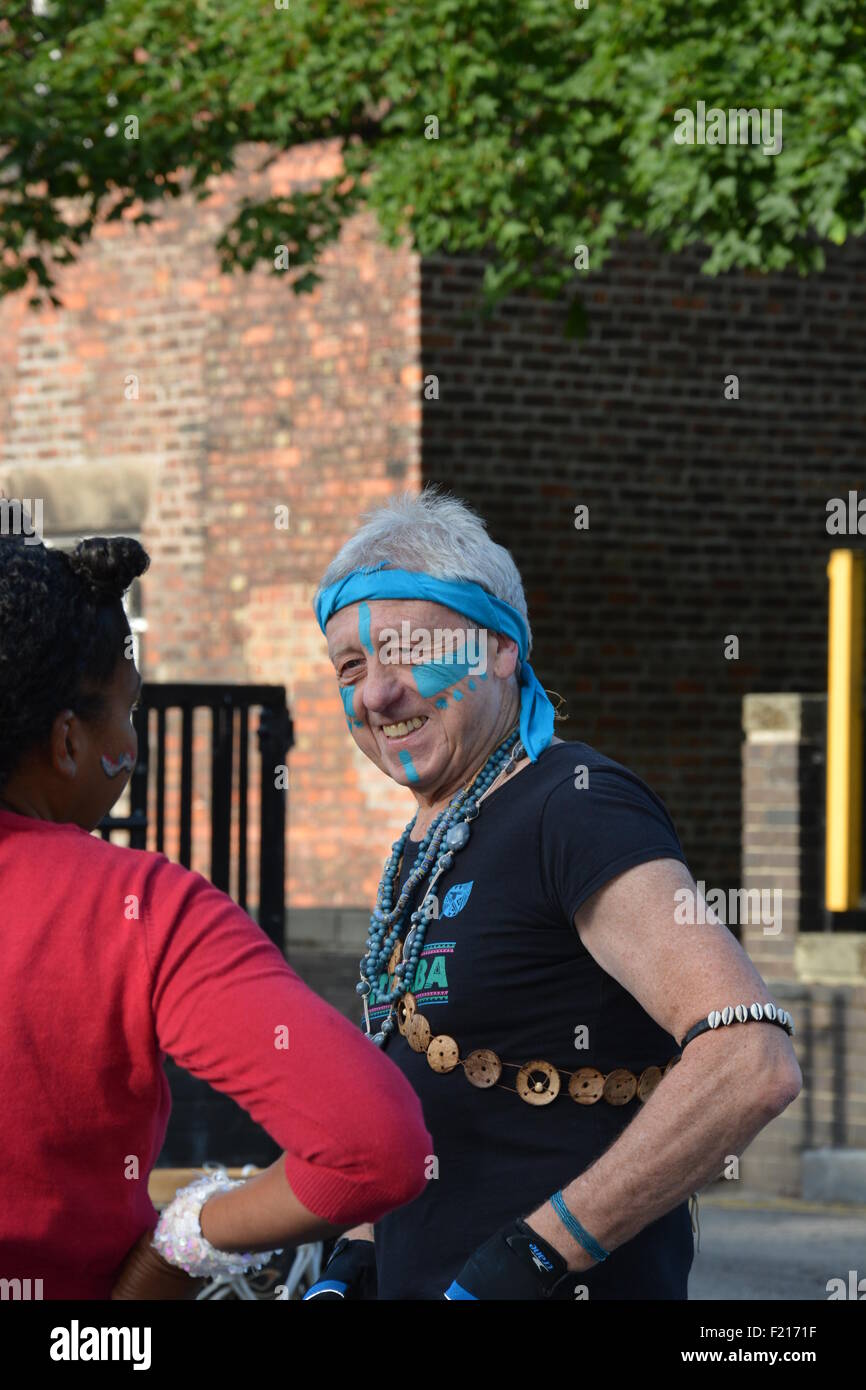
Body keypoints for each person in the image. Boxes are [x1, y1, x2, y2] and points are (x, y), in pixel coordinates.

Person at [303, 487, 802, 1301]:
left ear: (501, 648)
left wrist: (533, 1257)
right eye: (351, 668)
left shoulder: (575, 805)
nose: (375, 695)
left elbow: (749, 1058)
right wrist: (354, 1258)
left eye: (405, 652)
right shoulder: (434, 836)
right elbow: (424, 1082)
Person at [0, 534, 432, 1299]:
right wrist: (187, 1240)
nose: (132, 743)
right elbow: (375, 1146)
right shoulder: (139, 910)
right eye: (128, 709)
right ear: (67, 741)